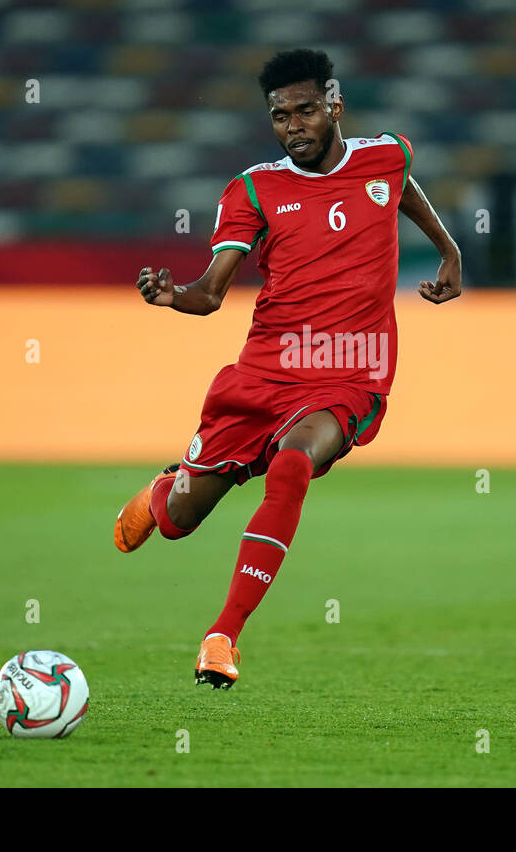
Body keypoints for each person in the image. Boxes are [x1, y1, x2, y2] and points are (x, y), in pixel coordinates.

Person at [114, 48, 462, 688]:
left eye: (305, 111)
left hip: (351, 370)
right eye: (280, 116)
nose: (293, 126)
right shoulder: (253, 189)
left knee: (294, 463)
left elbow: (401, 186)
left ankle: (222, 638)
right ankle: (165, 492)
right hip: (267, 372)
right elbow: (212, 292)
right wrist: (174, 296)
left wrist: (448, 249)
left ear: (335, 105)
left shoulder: (385, 155)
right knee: (181, 522)